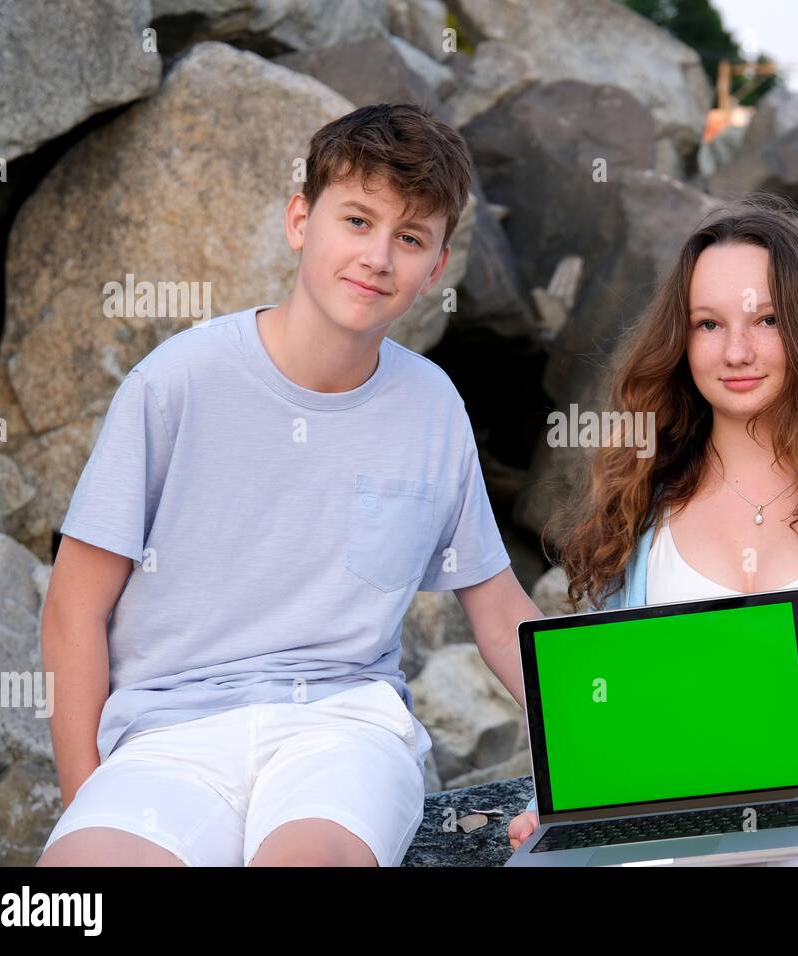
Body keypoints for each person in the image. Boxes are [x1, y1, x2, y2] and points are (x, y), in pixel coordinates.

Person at [37, 104, 542, 867]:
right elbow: (75, 605)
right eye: (358, 220)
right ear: (300, 220)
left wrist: (600, 756)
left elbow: (500, 609)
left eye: (409, 238)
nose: (377, 257)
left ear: (436, 267)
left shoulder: (432, 406)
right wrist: (86, 794)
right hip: (168, 736)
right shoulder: (177, 382)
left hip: (343, 732)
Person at [506, 193, 798, 865]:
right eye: (708, 324)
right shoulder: (642, 495)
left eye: (766, 319)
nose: (736, 350)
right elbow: (610, 707)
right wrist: (555, 810)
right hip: (679, 806)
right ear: (681, 339)